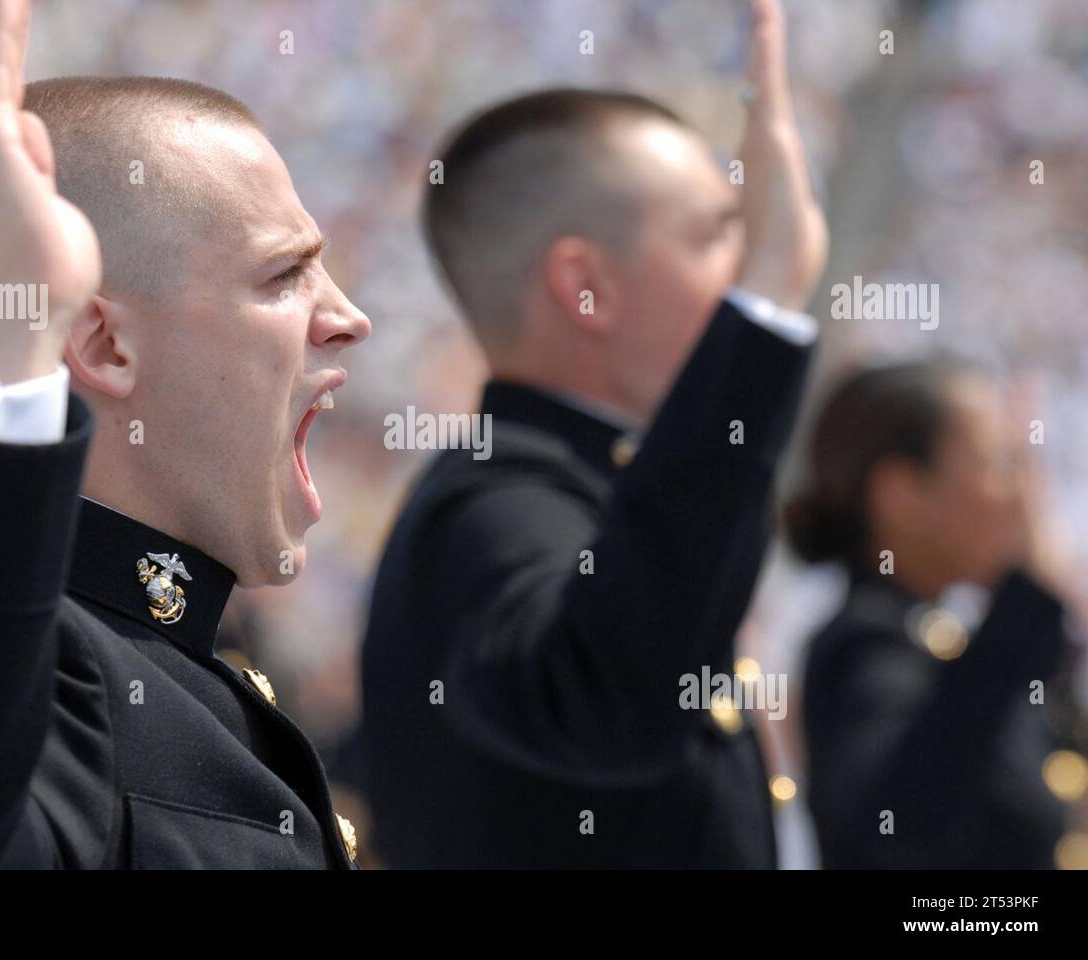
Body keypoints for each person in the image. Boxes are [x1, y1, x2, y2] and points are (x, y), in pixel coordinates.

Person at [0, 0, 370, 868]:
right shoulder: (43, 693)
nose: (348, 318)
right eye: (284, 274)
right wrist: (12, 330)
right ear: (102, 342)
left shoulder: (185, 673)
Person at [359, 0, 828, 867]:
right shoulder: (496, 510)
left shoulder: (577, 491)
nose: (754, 254)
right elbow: (607, 697)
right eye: (718, 234)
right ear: (585, 288)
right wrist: (762, 307)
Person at [786, 360, 1084, 868]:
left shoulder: (943, 638)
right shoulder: (866, 644)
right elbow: (906, 816)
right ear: (902, 494)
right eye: (997, 464)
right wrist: (1027, 597)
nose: (1020, 496)